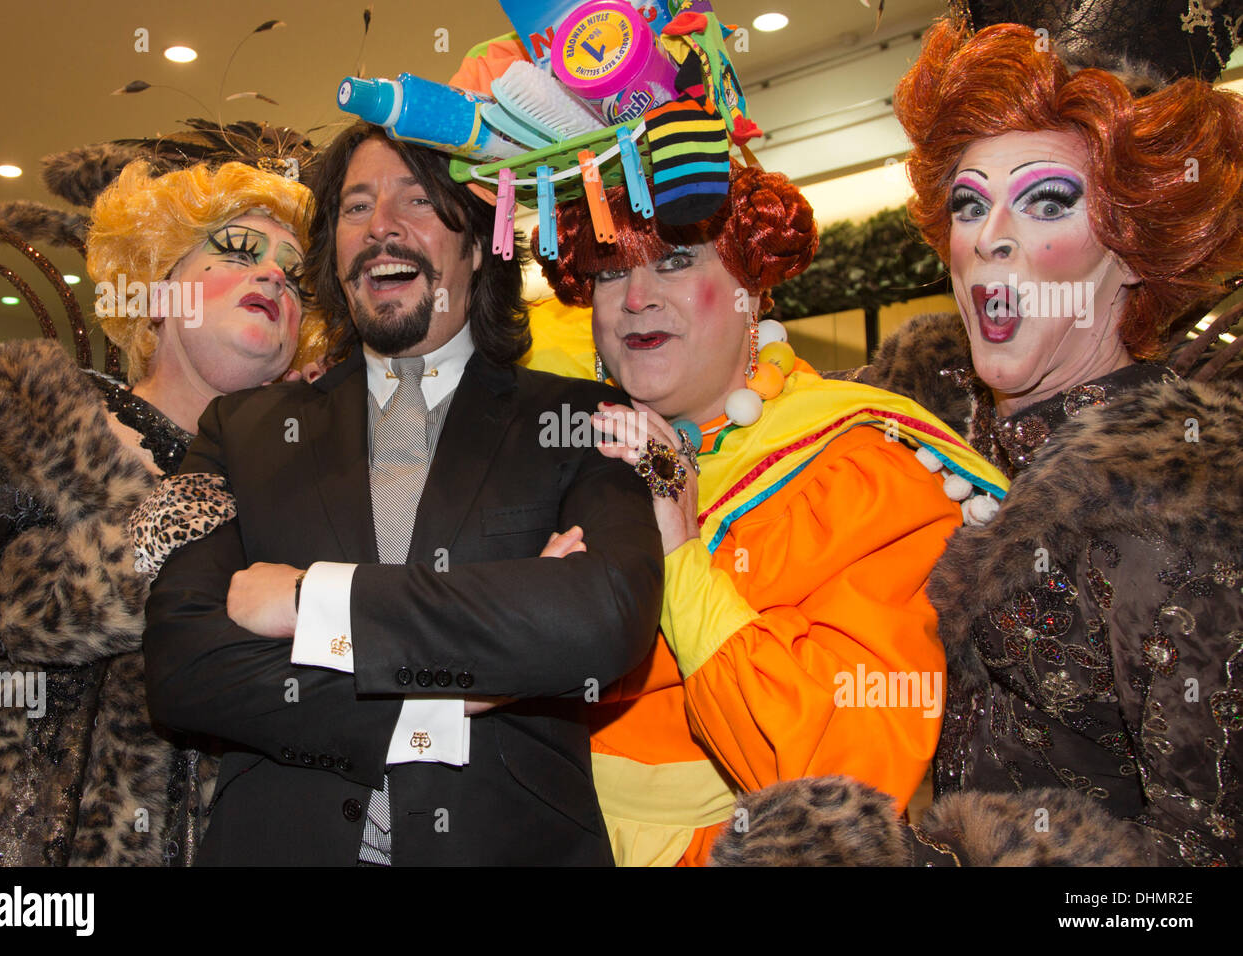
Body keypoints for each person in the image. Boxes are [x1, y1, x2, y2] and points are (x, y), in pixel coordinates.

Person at [711, 6, 1243, 867]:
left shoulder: (1187, 511)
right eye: (969, 203)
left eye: (1046, 200)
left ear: (1137, 241)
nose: (990, 239)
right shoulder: (918, 425)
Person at [141, 122, 664, 866]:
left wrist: (311, 602)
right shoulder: (243, 427)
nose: (381, 226)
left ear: (477, 245)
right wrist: (445, 700)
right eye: (356, 208)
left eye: (415, 201)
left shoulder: (579, 417)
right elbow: (185, 666)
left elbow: (602, 618)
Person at [532, 159, 1008, 866]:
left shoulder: (861, 470)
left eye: (674, 261)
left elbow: (843, 791)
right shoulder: (555, 449)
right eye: (608, 271)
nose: (634, 298)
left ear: (750, 288)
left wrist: (682, 564)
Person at [0, 158, 319, 865]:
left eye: (296, 277)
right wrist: (138, 551)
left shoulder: (297, 489)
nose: (273, 277)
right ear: (156, 293)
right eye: (237, 252)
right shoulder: (26, 410)